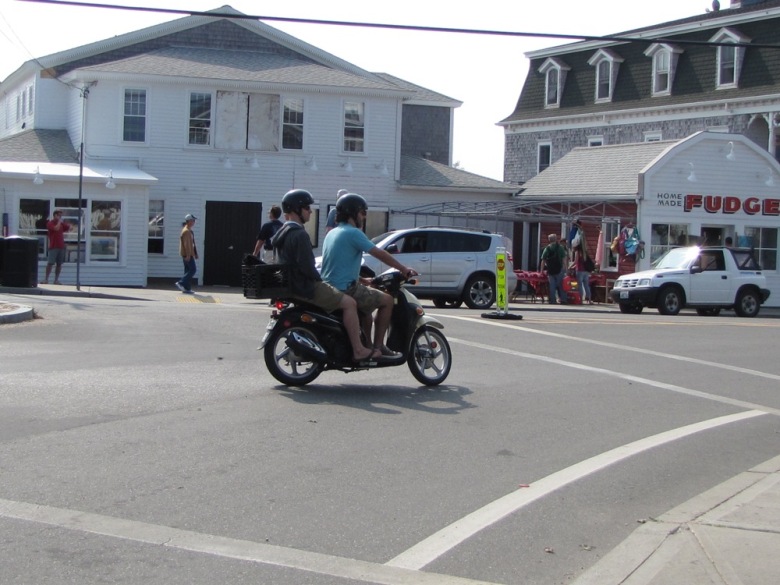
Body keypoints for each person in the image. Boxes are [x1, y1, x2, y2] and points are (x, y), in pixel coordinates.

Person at [272, 189, 379, 362]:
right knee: (350, 303)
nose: (310, 211)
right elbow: (308, 267)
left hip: (293, 285)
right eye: (306, 207)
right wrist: (320, 281)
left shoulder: (281, 233)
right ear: (295, 210)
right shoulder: (299, 234)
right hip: (306, 286)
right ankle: (359, 350)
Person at [321, 192, 417, 357]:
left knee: (367, 311)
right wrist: (403, 269)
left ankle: (368, 345)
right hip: (345, 289)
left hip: (330, 287)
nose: (364, 217)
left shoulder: (332, 233)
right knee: (386, 300)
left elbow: (337, 265)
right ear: (353, 212)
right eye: (362, 212)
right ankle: (379, 347)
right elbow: (378, 253)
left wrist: (363, 280)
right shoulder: (353, 233)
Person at [43, 209, 71, 285]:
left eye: (60, 215)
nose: (60, 217)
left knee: (59, 264)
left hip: (61, 246)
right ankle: (46, 279)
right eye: (58, 215)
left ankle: (56, 280)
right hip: (53, 246)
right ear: (54, 215)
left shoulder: (61, 224)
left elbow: (69, 227)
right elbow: (56, 228)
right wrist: (59, 222)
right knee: (50, 263)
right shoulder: (50, 223)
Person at [540, 233, 567, 305]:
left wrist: (541, 270)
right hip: (559, 269)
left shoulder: (547, 248)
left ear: (549, 240)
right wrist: (565, 268)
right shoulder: (560, 247)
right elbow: (564, 259)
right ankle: (563, 299)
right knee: (561, 285)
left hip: (550, 270)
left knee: (552, 286)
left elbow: (543, 260)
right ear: (556, 239)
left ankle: (552, 300)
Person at [175, 213, 198, 294]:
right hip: (187, 254)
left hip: (189, 253)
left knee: (187, 270)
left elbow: (192, 243)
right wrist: (188, 255)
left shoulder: (189, 230)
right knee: (193, 270)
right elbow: (187, 244)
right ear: (189, 221)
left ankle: (187, 288)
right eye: (193, 220)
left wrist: (195, 253)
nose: (194, 222)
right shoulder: (186, 231)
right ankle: (181, 282)